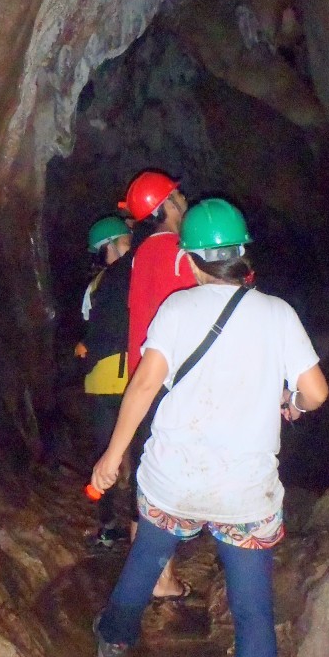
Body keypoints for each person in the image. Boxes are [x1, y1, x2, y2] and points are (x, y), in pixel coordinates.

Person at [90, 198, 329, 657]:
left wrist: (111, 457)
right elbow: (316, 392)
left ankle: (114, 637)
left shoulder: (176, 309)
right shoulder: (278, 314)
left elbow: (145, 385)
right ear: (243, 254)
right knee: (252, 615)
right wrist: (291, 401)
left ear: (192, 260)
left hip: (174, 480)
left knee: (149, 553)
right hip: (244, 494)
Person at [119, 170, 196, 599]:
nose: (184, 202)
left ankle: (149, 575)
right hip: (169, 384)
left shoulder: (142, 254)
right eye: (179, 197)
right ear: (165, 207)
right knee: (166, 482)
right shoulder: (176, 254)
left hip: (143, 380)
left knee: (145, 478)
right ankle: (161, 580)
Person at [78, 215, 133, 550]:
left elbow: (89, 331)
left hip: (104, 382)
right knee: (130, 454)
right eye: (125, 241)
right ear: (110, 246)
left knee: (108, 454)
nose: (130, 245)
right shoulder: (128, 278)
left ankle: (110, 525)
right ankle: (116, 524)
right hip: (126, 382)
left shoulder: (95, 286)